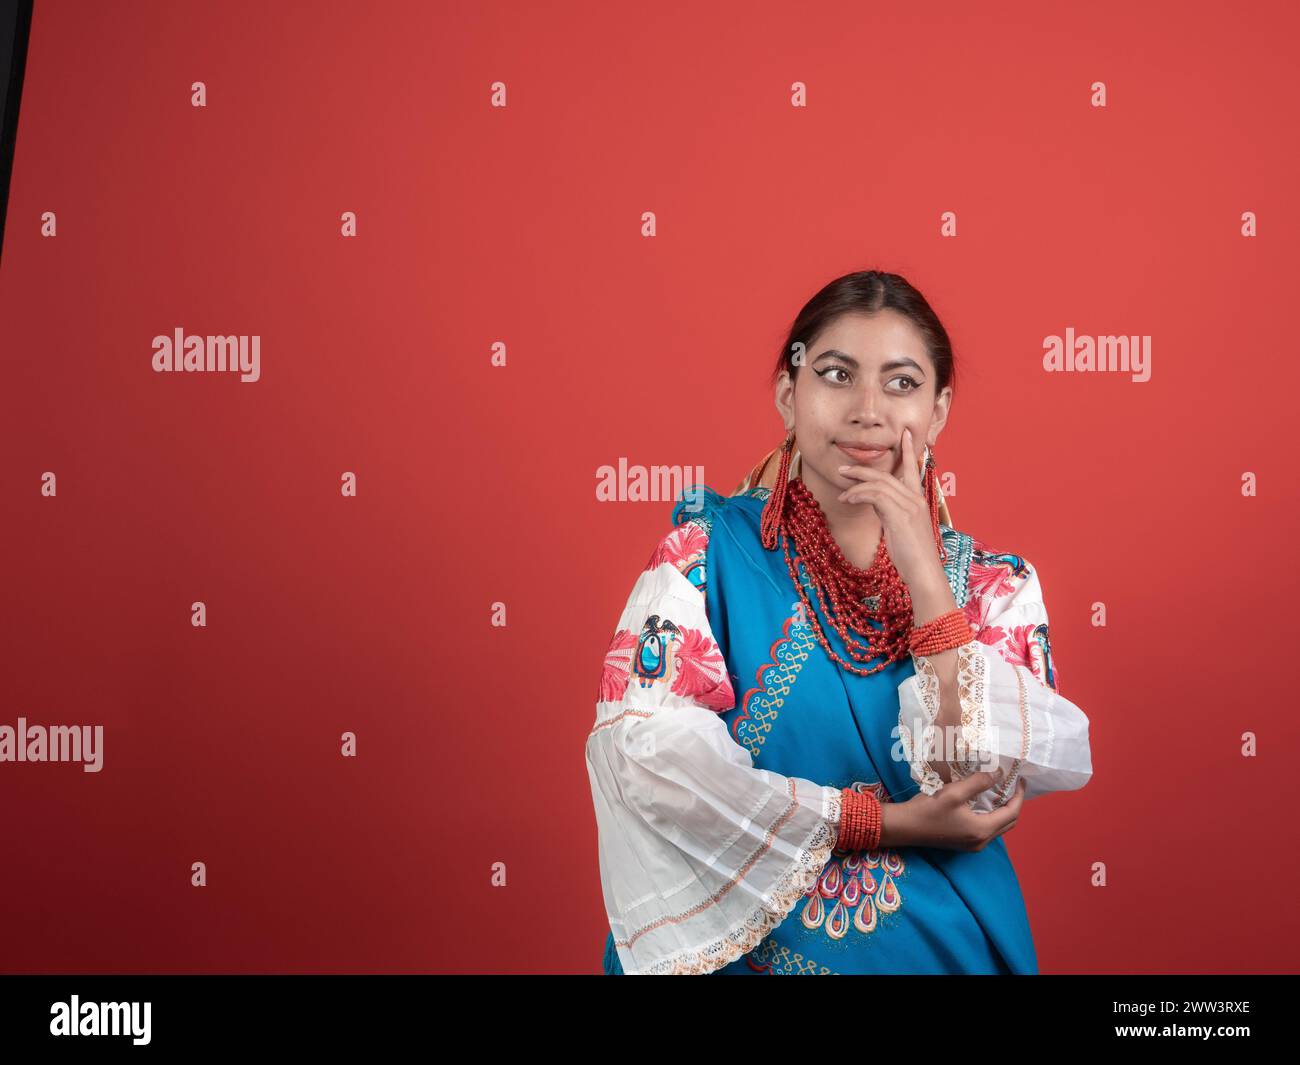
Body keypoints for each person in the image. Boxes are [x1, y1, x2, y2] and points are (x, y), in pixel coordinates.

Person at [585, 270, 1093, 975]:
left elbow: (979, 786)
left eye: (902, 383)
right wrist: (881, 822)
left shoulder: (993, 589)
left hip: (937, 944)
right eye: (835, 374)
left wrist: (926, 581)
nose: (868, 410)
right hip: (734, 938)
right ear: (788, 394)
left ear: (940, 409)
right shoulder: (703, 559)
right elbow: (646, 762)